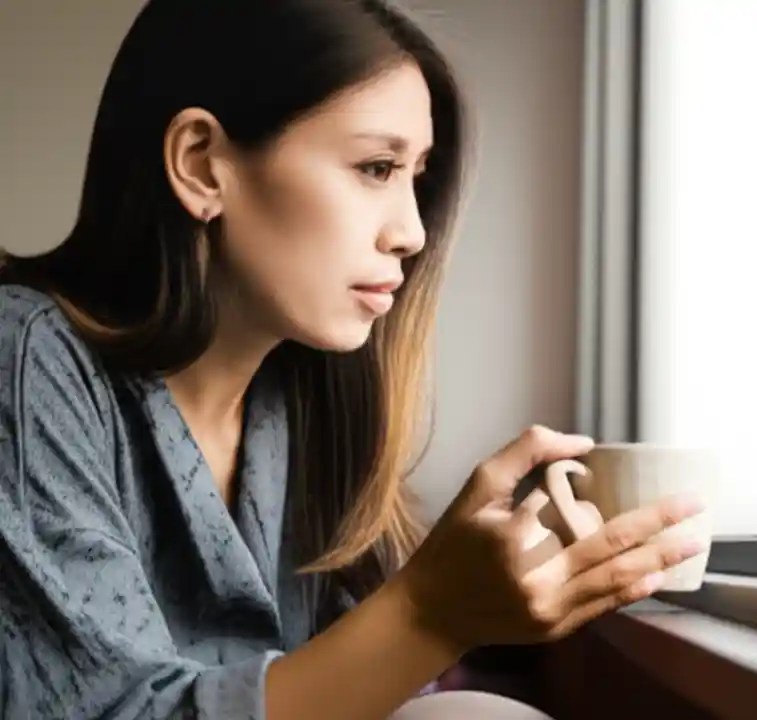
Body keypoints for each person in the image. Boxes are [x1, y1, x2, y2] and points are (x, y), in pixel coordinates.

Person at [0, 1, 706, 718]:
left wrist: (494, 582)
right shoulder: (24, 360)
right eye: (376, 167)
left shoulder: (306, 406)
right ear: (201, 165)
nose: (413, 232)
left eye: (416, 177)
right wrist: (430, 611)